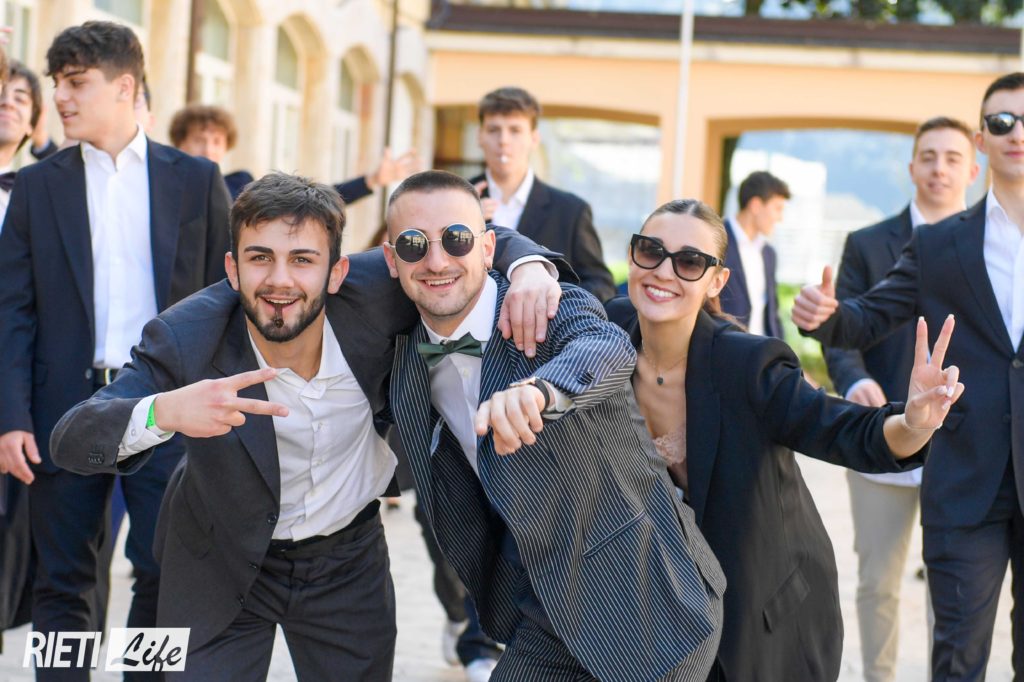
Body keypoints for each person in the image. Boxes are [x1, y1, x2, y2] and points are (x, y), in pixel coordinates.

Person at [49, 171, 566, 681]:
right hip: (216, 554)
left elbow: (463, 239)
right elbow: (71, 438)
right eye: (259, 258)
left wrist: (529, 268)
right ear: (233, 268)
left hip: (346, 559)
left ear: (337, 273)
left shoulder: (379, 291)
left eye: (302, 260)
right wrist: (163, 412)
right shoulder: (186, 335)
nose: (280, 280)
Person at [384, 170, 726, 682]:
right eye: (414, 245)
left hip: (653, 600)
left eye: (456, 239)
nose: (436, 261)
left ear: (487, 248)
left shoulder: (547, 305)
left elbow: (606, 348)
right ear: (391, 259)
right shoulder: (405, 353)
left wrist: (541, 392)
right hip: (545, 611)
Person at [604, 198, 963, 681]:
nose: (664, 271)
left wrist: (915, 421)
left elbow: (844, 431)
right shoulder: (608, 332)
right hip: (659, 605)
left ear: (717, 282)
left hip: (765, 612)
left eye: (689, 261)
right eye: (651, 250)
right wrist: (530, 272)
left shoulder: (749, 366)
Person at [0, 21, 231, 679]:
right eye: (57, 84)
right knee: (62, 578)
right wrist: (11, 417)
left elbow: (224, 298)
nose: (60, 98)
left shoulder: (196, 179)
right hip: (63, 409)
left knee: (162, 571)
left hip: (167, 405)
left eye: (76, 83)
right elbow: (11, 311)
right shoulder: (37, 186)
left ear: (125, 87)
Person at [791, 71, 1024, 681]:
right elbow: (868, 317)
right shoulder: (940, 243)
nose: (1017, 133)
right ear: (983, 139)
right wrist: (825, 317)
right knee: (957, 657)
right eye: (1002, 121)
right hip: (965, 477)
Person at [824, 116, 979, 682]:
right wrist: (853, 381)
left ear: (973, 170)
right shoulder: (867, 244)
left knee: (957, 586)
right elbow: (843, 330)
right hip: (882, 433)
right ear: (911, 167)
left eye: (952, 158)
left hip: (967, 445)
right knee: (877, 582)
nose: (939, 168)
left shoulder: (993, 246)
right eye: (928, 156)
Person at [471, 86, 615, 302]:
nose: (503, 140)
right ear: (480, 136)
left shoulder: (571, 211)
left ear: (534, 138)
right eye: (493, 130)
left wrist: (553, 302)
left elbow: (601, 285)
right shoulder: (454, 201)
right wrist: (464, 217)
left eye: (515, 130)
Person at [167, 103, 421, 202]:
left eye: (216, 141)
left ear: (226, 147)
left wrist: (371, 180)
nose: (208, 149)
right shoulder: (164, 187)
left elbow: (305, 201)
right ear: (180, 143)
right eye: (199, 140)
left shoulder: (238, 186)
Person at [720, 170, 790, 338]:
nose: (780, 218)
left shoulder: (768, 253)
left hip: (762, 349)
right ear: (756, 205)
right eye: (777, 209)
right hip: (727, 347)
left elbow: (772, 314)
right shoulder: (716, 242)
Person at [0, 60, 40, 226]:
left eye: (19, 99)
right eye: (0, 93)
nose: (7, 103)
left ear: (31, 125)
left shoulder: (33, 200)